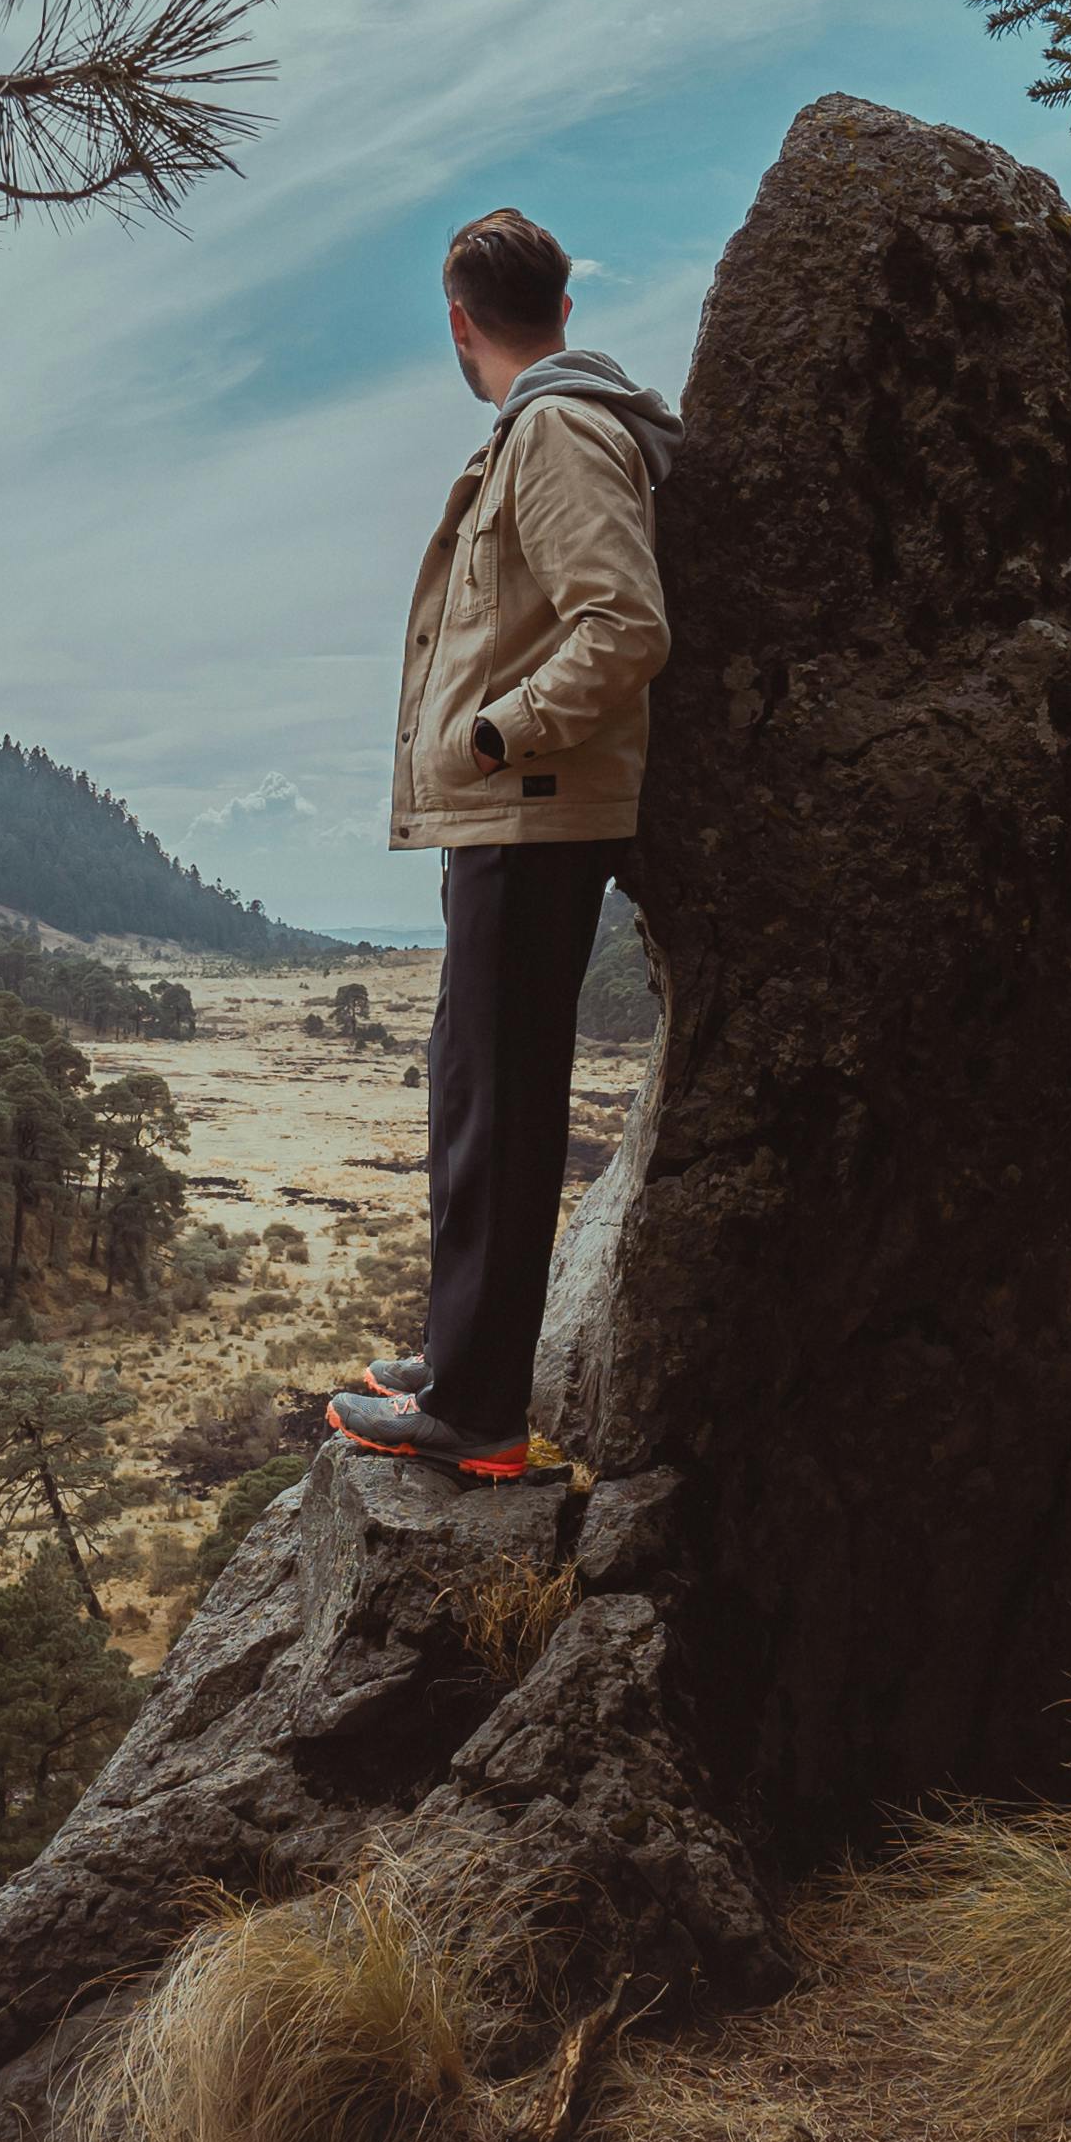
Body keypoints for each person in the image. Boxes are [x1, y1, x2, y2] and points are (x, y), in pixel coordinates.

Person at [330, 207, 677, 1476]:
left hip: (531, 811)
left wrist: (494, 735)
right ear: (565, 308)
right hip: (512, 814)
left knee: (502, 1103)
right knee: (478, 1086)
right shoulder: (557, 421)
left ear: (460, 321)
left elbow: (624, 625)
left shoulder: (557, 430)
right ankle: (460, 1349)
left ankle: (476, 1412)